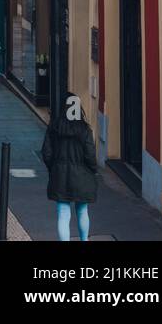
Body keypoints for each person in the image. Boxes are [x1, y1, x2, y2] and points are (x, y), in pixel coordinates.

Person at [42, 98, 99, 242]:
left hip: (60, 176)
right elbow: (90, 155)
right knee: (82, 210)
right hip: (82, 177)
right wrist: (93, 169)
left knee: (63, 213)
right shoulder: (84, 129)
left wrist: (53, 168)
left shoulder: (54, 127)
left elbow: (46, 153)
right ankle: (84, 240)